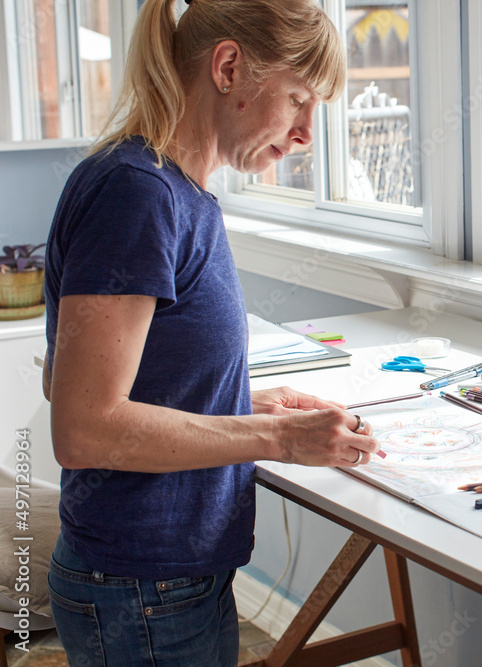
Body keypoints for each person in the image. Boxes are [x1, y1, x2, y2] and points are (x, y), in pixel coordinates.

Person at [40, 0, 378, 664]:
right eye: (298, 99)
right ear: (228, 68)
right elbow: (82, 426)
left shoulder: (173, 192)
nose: (306, 133)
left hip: (162, 582)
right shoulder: (138, 195)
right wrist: (279, 438)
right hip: (142, 588)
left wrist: (241, 404)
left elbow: (81, 377)